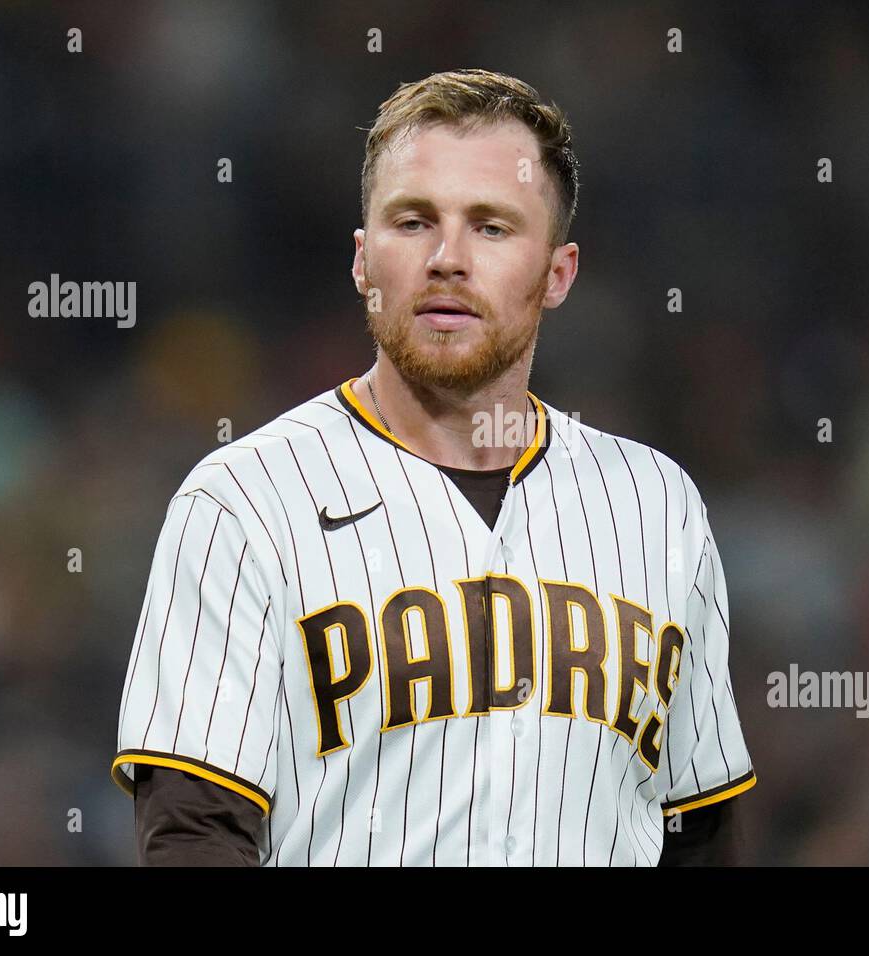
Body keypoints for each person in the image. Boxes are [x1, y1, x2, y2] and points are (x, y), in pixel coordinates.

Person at [112, 68, 756, 866]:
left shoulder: (658, 506)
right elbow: (194, 834)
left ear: (558, 273)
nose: (448, 258)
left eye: (492, 228)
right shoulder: (244, 502)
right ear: (362, 259)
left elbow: (699, 830)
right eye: (413, 222)